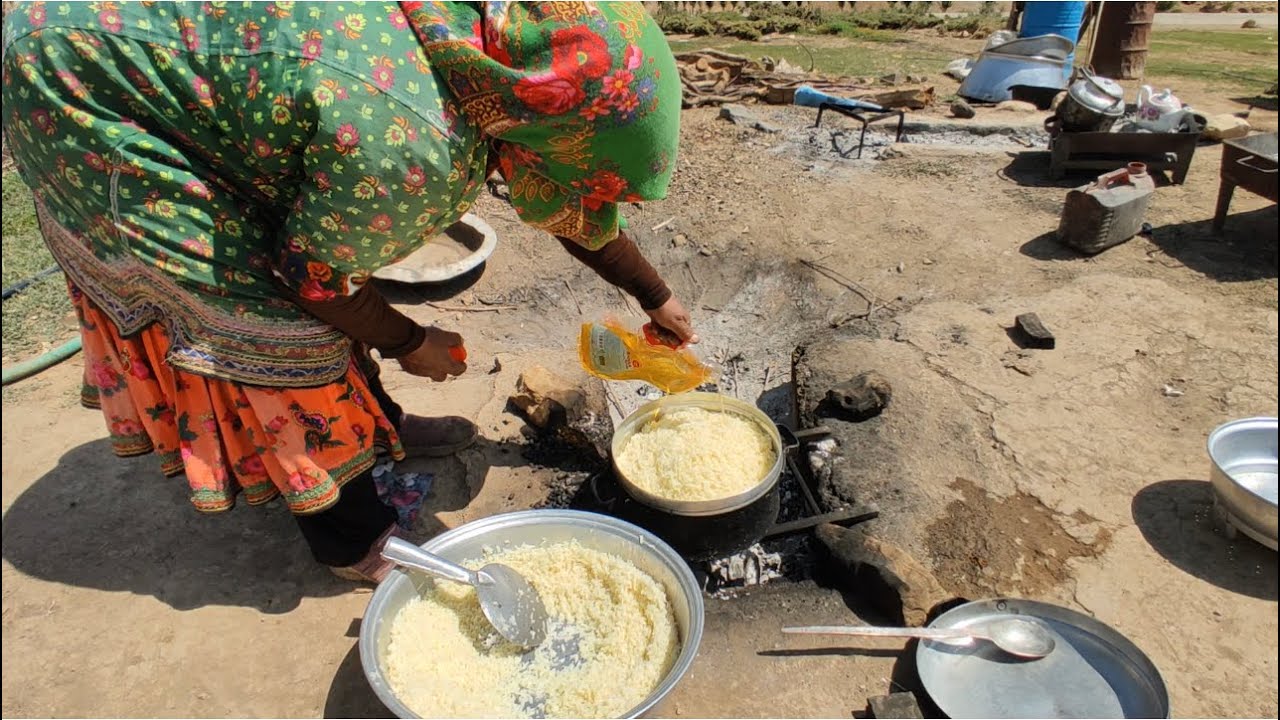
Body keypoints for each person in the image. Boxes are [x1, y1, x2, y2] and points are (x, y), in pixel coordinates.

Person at [2, 1, 698, 582]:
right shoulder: (413, 149)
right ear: (543, 129)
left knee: (328, 269)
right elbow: (312, 281)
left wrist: (653, 294)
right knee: (274, 330)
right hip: (79, 87)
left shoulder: (483, 50)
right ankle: (351, 540)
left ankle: (380, 431)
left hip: (187, 63)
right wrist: (410, 341)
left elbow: (573, 198)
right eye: (599, 179)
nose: (594, 196)